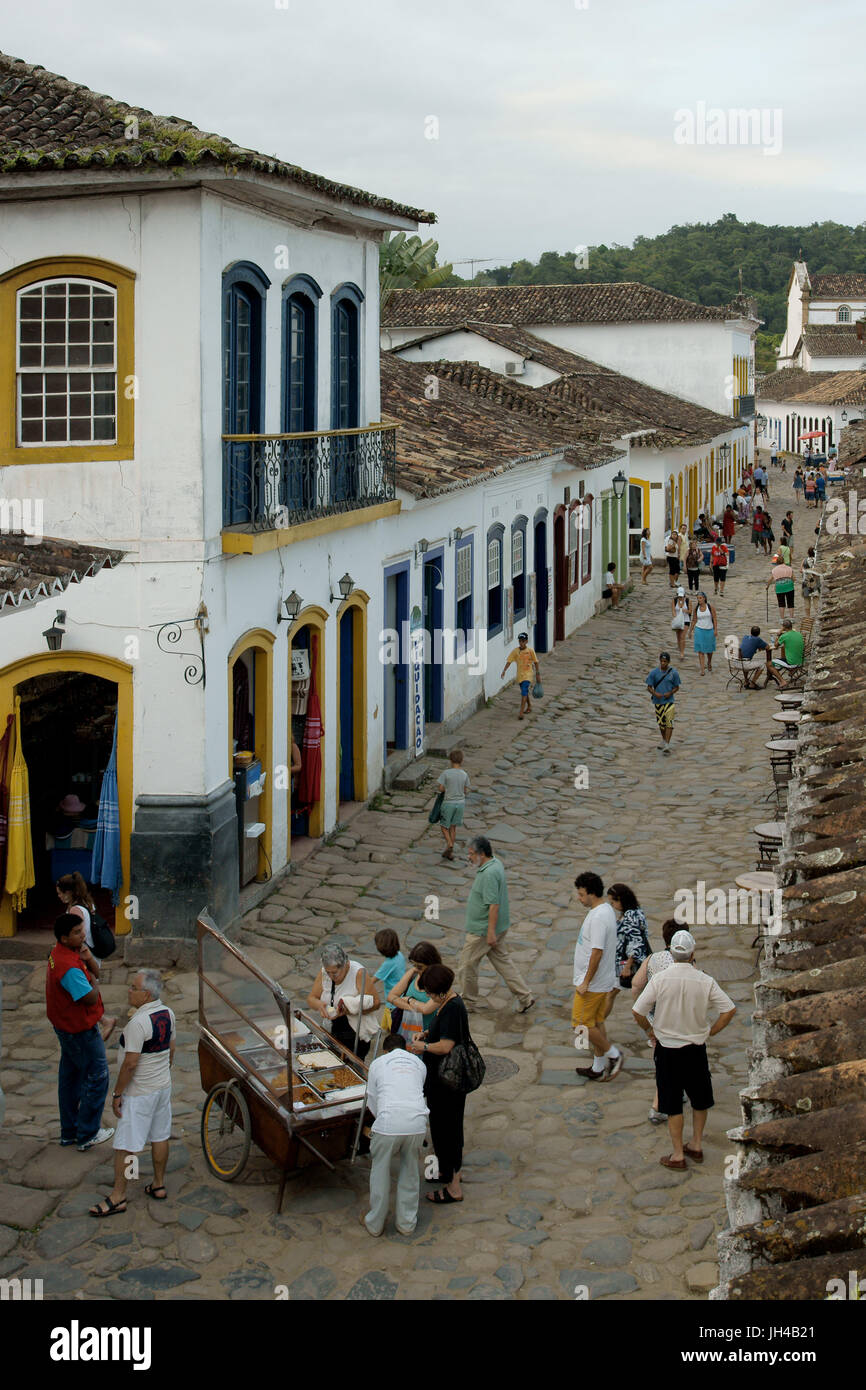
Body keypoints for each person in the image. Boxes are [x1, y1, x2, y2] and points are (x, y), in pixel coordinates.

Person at [632, 930, 736, 1169]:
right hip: (696, 1048)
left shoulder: (660, 980)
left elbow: (637, 1011)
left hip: (667, 1049)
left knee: (672, 1103)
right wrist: (711, 1031)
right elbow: (728, 1010)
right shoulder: (704, 980)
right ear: (692, 954)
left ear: (670, 952)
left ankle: (678, 1154)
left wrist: (650, 1030)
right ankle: (696, 1144)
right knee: (700, 1099)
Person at [90, 969, 175, 1217]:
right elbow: (171, 1048)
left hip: (140, 1093)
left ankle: (119, 1195)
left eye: (133, 987)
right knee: (160, 1136)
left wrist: (118, 1093)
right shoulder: (168, 1014)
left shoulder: (138, 1023)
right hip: (161, 1086)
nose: (129, 991)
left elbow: (130, 1064)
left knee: (128, 1145)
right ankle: (158, 1184)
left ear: (146, 994)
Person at [45, 913, 113, 1152]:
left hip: (65, 1026)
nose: (83, 935)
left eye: (82, 930)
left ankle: (69, 1132)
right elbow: (90, 997)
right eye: (76, 933)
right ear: (64, 938)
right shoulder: (68, 967)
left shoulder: (60, 953)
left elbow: (96, 971)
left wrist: (88, 960)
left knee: (70, 1079)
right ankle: (87, 1133)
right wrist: (94, 981)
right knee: (98, 1077)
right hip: (79, 1030)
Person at [407, 964, 470, 1205]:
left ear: (439, 992)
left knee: (450, 1129)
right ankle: (445, 1169)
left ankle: (454, 1186)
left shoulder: (452, 1007)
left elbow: (446, 1045)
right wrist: (425, 1034)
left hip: (448, 1081)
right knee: (442, 1127)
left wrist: (422, 1046)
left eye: (431, 993)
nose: (429, 997)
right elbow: (441, 1030)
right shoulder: (449, 1002)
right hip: (441, 1080)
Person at [456, 836, 534, 1014]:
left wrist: (490, 932)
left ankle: (467, 1002)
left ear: (482, 854)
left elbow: (494, 905)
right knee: (502, 961)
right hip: (495, 928)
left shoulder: (490, 873)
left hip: (483, 931)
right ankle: (525, 997)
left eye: (471, 854)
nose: (469, 857)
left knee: (466, 965)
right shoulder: (495, 863)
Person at [362, 1034, 428, 1236]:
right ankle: (406, 1223)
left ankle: (375, 1224)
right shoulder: (419, 1064)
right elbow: (418, 1091)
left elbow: (371, 1099)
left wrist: (380, 1119)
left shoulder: (377, 1064)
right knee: (410, 1171)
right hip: (417, 1122)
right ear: (406, 1048)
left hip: (388, 1122)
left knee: (380, 1172)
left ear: (385, 1050)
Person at [572, 871, 622, 1081]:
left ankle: (614, 1055)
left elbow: (597, 951)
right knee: (597, 1021)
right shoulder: (605, 910)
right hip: (603, 980)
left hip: (593, 983)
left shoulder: (600, 917)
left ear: (592, 894)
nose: (579, 897)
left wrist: (585, 982)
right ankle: (598, 1066)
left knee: (580, 1024)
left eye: (582, 894)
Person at [56, 872, 116, 1042]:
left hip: (83, 955)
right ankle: (102, 1020)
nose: (59, 896)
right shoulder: (87, 903)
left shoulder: (75, 909)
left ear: (69, 892)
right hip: (90, 953)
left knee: (86, 990)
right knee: (88, 988)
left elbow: (77, 932)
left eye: (60, 893)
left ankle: (102, 1020)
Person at [630, 919, 678, 1123]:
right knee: (668, 1063)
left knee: (664, 1061)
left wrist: (646, 1010)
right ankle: (658, 1106)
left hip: (657, 1018)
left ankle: (670, 1095)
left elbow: (635, 985)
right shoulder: (687, 960)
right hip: (678, 1019)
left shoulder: (652, 958)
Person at [307, 944, 381, 1060]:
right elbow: (311, 998)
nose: (331, 976)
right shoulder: (325, 973)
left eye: (335, 973)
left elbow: (376, 1003)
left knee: (352, 1067)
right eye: (328, 972)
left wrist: (350, 1010)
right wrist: (320, 1005)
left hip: (354, 1033)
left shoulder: (359, 973)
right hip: (332, 1029)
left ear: (345, 965)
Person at [388, 942, 442, 1046]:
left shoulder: (440, 981)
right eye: (414, 965)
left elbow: (426, 1009)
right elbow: (391, 996)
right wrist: (412, 1008)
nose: (416, 969)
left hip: (428, 1035)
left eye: (420, 967)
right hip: (407, 1029)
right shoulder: (413, 973)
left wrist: (409, 1000)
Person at [606, 883, 651, 1008]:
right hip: (628, 962)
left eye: (612, 902)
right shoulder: (633, 912)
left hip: (630, 963)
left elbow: (635, 942)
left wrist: (628, 966)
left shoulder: (631, 915)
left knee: (612, 993)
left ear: (620, 899)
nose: (612, 906)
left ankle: (597, 1023)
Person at [436, 748, 469, 860]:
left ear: (450, 760)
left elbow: (440, 788)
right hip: (460, 804)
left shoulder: (446, 773)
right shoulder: (464, 774)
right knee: (453, 827)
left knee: (444, 826)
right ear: (462, 761)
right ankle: (450, 851)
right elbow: (465, 790)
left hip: (448, 803)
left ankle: (449, 843)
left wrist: (447, 788)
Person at [646, 651, 681, 754]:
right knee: (661, 724)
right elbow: (649, 687)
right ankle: (664, 739)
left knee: (669, 722)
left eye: (665, 661)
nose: (663, 663)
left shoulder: (673, 673)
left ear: (668, 662)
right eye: (661, 661)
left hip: (669, 701)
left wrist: (670, 693)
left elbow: (677, 687)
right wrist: (655, 693)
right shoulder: (654, 673)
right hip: (658, 702)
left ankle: (667, 744)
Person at [501, 632, 540, 721]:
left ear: (526, 641)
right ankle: (529, 706)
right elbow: (509, 661)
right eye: (520, 641)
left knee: (523, 692)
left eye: (523, 641)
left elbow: (536, 662)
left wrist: (537, 674)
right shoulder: (515, 651)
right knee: (524, 692)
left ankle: (521, 712)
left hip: (528, 675)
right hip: (520, 676)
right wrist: (504, 670)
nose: (521, 643)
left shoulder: (530, 651)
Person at [765, 618, 805, 689]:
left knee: (769, 664)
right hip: (800, 660)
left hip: (792, 662)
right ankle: (791, 670)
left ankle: (782, 681)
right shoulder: (799, 634)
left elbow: (776, 645)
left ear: (784, 627)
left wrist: (778, 635)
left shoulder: (784, 636)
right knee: (783, 654)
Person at [374, 929, 408, 1004]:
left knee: (388, 1016)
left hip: (392, 1003)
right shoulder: (399, 954)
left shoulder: (388, 964)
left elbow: (372, 980)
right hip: (401, 994)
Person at [690, 591, 718, 675]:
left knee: (709, 650)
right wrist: (690, 630)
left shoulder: (710, 607)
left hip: (709, 630)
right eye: (698, 598)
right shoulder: (696, 608)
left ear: (704, 598)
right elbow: (694, 620)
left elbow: (714, 618)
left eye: (700, 598)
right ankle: (702, 669)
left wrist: (715, 629)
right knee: (700, 650)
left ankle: (709, 662)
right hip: (699, 630)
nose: (699, 600)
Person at [738, 626, 771, 690]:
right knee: (762, 665)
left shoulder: (745, 637)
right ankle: (752, 683)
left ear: (751, 632)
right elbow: (767, 647)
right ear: (759, 633)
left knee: (746, 660)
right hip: (745, 664)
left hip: (737, 662)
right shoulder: (757, 639)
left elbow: (750, 645)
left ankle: (746, 680)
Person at [801, 547, 822, 619]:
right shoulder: (817, 562)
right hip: (815, 583)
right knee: (816, 600)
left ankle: (808, 616)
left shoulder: (804, 560)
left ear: (808, 553)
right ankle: (817, 615)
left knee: (807, 600)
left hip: (806, 583)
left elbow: (801, 570)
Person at [670, 586, 690, 659]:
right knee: (678, 637)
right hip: (678, 621)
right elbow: (673, 610)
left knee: (682, 636)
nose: (680, 597)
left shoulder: (688, 601)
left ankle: (682, 652)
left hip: (686, 620)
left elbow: (690, 611)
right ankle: (680, 648)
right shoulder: (674, 600)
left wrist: (685, 611)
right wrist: (675, 616)